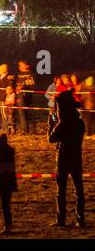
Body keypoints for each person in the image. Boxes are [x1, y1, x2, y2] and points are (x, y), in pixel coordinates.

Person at [49, 89, 86, 228]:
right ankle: (80, 219)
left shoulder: (62, 124)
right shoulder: (79, 123)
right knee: (79, 190)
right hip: (76, 157)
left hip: (63, 158)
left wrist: (51, 124)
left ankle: (61, 219)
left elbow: (51, 139)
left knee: (61, 190)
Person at [0, 132, 17, 234]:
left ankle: (7, 227)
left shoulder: (1, 155)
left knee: (5, 205)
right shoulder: (10, 152)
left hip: (4, 183)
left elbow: (0, 172)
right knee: (7, 204)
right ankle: (8, 225)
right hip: (11, 181)